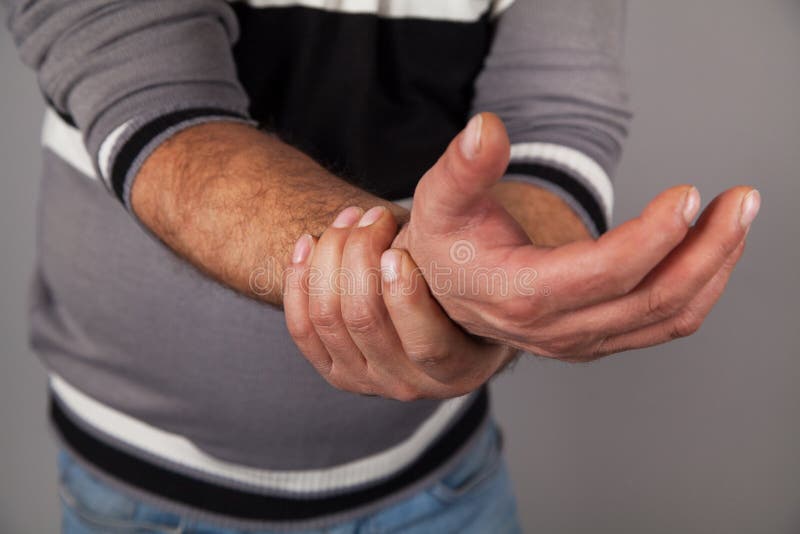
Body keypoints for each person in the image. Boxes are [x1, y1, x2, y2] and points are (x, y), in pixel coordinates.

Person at [4, 0, 758, 532]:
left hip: (443, 480)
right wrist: (435, 281)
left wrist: (509, 283)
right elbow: (157, 109)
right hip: (144, 494)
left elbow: (556, 123)